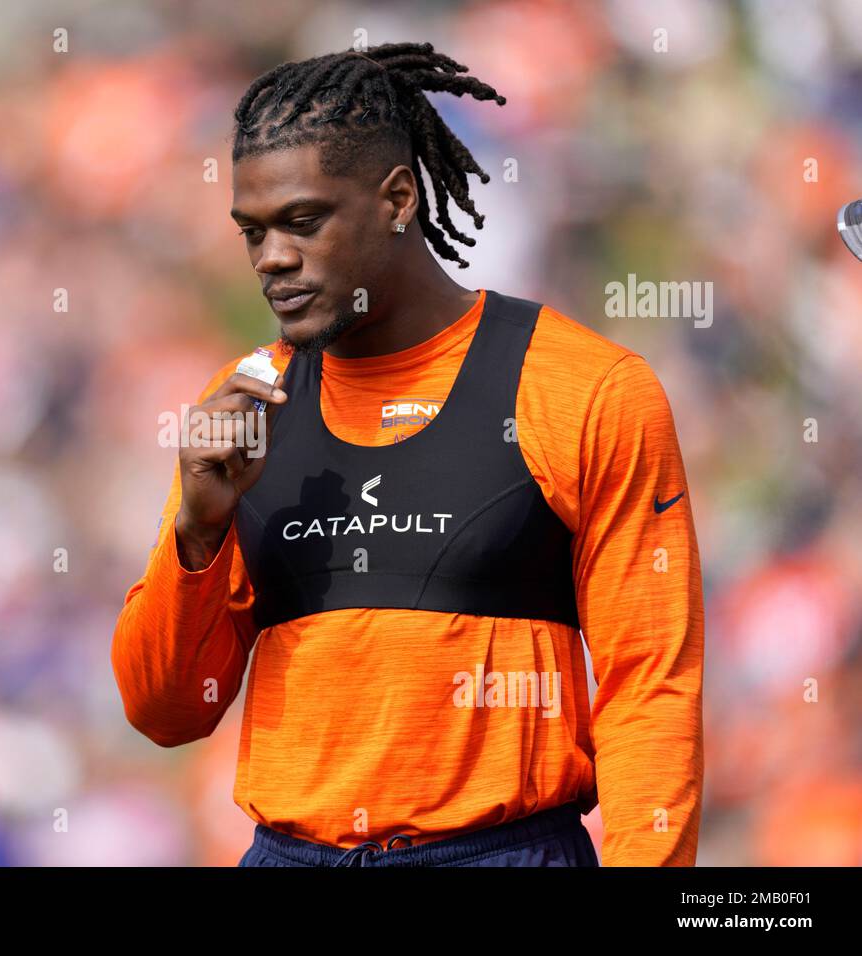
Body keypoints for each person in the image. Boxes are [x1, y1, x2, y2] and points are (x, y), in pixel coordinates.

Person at [111, 41, 704, 867]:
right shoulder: (249, 404)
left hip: (501, 852)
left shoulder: (587, 389)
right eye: (253, 232)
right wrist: (199, 531)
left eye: (303, 221)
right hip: (288, 852)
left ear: (397, 199)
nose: (271, 258)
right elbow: (165, 712)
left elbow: (650, 687)